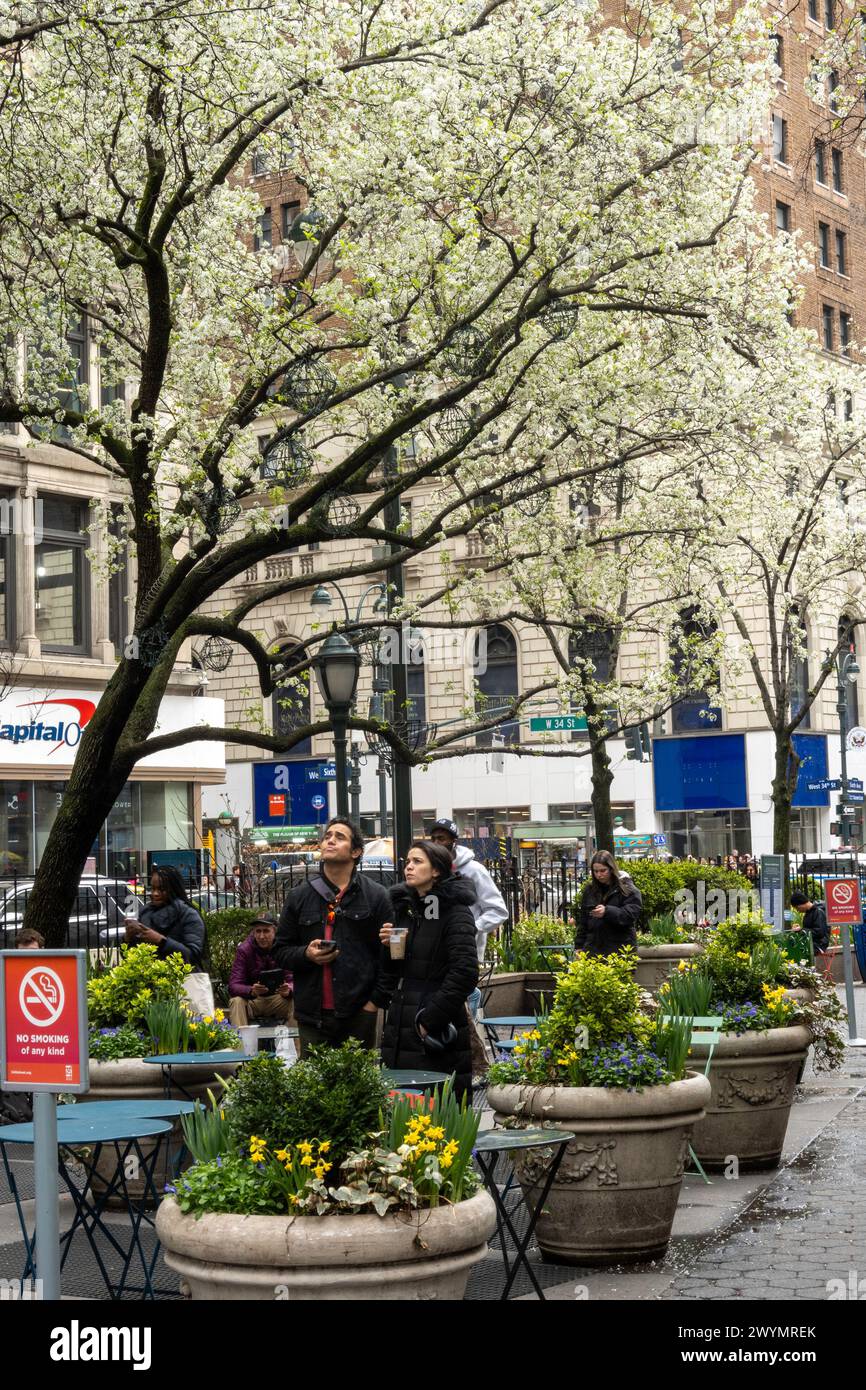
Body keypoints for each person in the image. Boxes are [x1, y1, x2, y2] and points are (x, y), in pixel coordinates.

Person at [273, 817, 392, 1056]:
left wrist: (374, 1003)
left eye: (339, 837)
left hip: (359, 1011)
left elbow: (389, 956)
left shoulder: (376, 896)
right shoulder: (300, 895)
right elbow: (280, 950)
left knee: (358, 1088)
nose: (330, 840)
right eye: (327, 836)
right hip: (312, 1014)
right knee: (314, 1089)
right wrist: (306, 954)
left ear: (356, 851)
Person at [379, 841, 479, 1098]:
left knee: (435, 1108)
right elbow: (398, 967)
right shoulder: (406, 910)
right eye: (407, 862)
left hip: (432, 1023)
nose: (408, 867)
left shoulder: (455, 912)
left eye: (417, 862)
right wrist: (388, 944)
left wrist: (428, 1021)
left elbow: (465, 972)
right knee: (400, 1107)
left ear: (436, 870)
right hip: (400, 1021)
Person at [429, 818, 507, 1015]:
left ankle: (472, 1015)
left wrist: (471, 927)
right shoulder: (429, 871)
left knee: (458, 1005)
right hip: (434, 950)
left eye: (442, 838)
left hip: (465, 950)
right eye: (433, 838)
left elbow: (498, 910)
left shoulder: (474, 870)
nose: (436, 843)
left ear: (453, 841)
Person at [124, 865, 206, 969]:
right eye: (153, 888)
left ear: (173, 889)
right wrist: (128, 938)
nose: (155, 893)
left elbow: (193, 957)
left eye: (161, 889)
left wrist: (160, 941)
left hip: (183, 982)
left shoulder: (188, 915)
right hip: (149, 981)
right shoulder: (145, 912)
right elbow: (129, 957)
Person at [227, 912, 294, 1029]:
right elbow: (233, 985)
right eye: (258, 931)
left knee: (297, 1001)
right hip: (253, 1001)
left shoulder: (284, 948)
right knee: (236, 1001)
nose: (261, 936)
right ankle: (240, 1045)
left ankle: (298, 1047)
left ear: (275, 931)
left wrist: (289, 990)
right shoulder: (244, 950)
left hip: (279, 1000)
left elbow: (295, 979)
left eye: (266, 931)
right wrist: (250, 990)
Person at [575, 850, 643, 957]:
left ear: (611, 869)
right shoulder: (590, 890)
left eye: (603, 870)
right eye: (595, 871)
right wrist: (579, 946)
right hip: (593, 949)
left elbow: (630, 915)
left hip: (619, 949)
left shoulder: (627, 889)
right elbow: (583, 921)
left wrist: (607, 911)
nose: (599, 875)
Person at [790, 890, 830, 955]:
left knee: (793, 950)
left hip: (818, 945)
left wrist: (801, 930)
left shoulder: (818, 911)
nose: (798, 911)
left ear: (800, 905)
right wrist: (800, 929)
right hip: (812, 942)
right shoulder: (809, 912)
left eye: (797, 908)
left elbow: (819, 932)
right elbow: (811, 929)